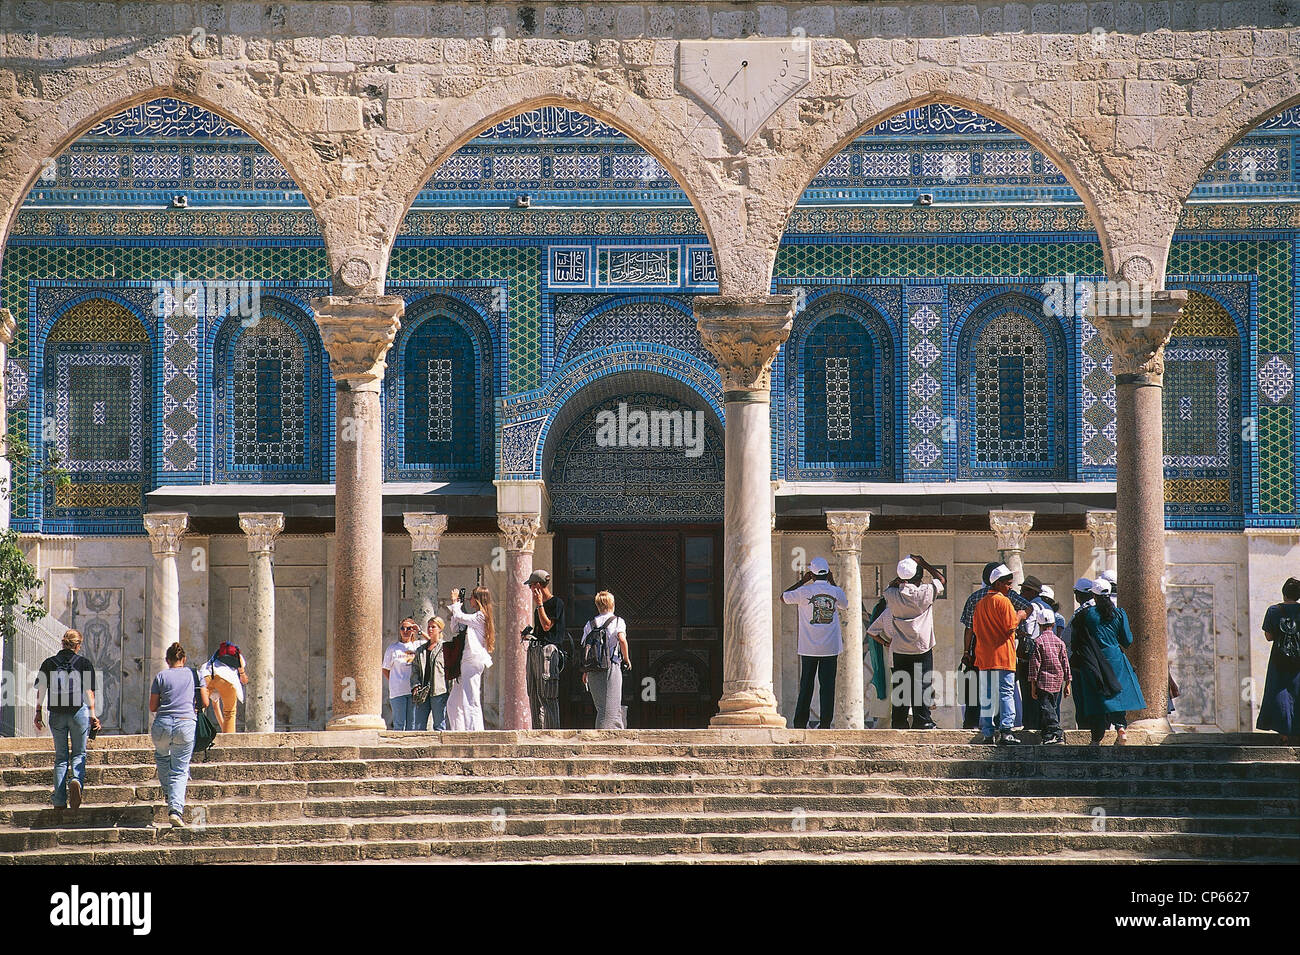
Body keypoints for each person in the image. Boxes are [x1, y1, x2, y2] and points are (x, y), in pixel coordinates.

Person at [868, 555, 945, 729]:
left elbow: (890, 585)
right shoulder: (926, 592)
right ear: (918, 577)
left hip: (900, 648)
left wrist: (901, 576)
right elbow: (941, 579)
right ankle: (922, 720)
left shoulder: (892, 595)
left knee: (900, 686)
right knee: (922, 684)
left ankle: (899, 722)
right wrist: (923, 562)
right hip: (921, 647)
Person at [1071, 579, 1145, 745]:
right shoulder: (1119, 613)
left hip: (1094, 660)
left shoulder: (1087, 614)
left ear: (1093, 595)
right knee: (1116, 695)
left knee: (1096, 698)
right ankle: (1120, 729)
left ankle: (1096, 738)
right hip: (1116, 658)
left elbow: (1076, 639)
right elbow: (1127, 640)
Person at [33, 629, 100, 811]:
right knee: (79, 753)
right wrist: (93, 715)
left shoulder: (49, 663)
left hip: (56, 713)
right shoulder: (84, 663)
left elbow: (41, 690)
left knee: (61, 757)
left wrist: (38, 712)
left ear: (62, 643)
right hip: (78, 713)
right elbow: (89, 692)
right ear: (78, 645)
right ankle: (76, 780)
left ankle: (59, 801)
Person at [960, 562, 1033, 728]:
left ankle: (981, 727)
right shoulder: (1006, 600)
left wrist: (966, 651)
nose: (1010, 587)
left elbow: (970, 628)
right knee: (1005, 692)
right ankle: (1005, 727)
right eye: (1008, 583)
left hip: (981, 651)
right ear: (999, 582)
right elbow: (1011, 625)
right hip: (1002, 652)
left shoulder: (977, 600)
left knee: (982, 691)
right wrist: (1020, 616)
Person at [782, 556, 848, 729]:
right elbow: (844, 604)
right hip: (830, 647)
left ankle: (800, 723)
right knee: (827, 687)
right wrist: (832, 582)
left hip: (809, 647)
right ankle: (825, 723)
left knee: (806, 686)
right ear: (828, 573)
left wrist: (802, 582)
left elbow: (783, 597)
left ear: (811, 573)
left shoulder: (804, 591)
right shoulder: (835, 591)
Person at [149, 642, 208, 827]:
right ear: (184, 659)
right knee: (180, 769)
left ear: (167, 660)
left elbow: (152, 706)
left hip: (163, 724)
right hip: (185, 724)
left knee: (162, 757)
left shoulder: (161, 676)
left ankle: (169, 792)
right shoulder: (195, 674)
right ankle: (175, 810)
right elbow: (205, 702)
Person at [1257, 577, 1300, 744]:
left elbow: (1269, 636)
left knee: (1279, 691)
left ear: (1284, 593)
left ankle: (1284, 733)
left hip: (1279, 657)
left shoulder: (1273, 610)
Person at [446, 586, 495, 731]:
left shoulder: (481, 616)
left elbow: (461, 617)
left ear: (478, 599)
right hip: (465, 661)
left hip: (472, 660)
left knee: (470, 699)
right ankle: (459, 731)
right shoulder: (475, 617)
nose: (470, 600)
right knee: (453, 703)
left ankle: (475, 732)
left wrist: (455, 602)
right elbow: (455, 627)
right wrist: (457, 607)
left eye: (472, 597)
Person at [580, 590, 631, 729]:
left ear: (597, 605)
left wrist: (585, 671)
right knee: (612, 708)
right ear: (612, 604)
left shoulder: (589, 624)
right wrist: (626, 659)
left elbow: (585, 647)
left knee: (601, 708)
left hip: (593, 668)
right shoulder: (618, 621)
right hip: (611, 665)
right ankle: (610, 740)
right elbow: (622, 639)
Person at [524, 569, 567, 729]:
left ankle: (552, 734)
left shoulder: (556, 603)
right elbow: (540, 630)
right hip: (535, 649)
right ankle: (537, 732)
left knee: (548, 693)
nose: (530, 589)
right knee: (533, 694)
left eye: (531, 586)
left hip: (548, 651)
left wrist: (540, 604)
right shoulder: (538, 607)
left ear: (537, 585)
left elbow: (547, 626)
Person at [1028, 606, 1071, 744]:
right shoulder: (1060, 642)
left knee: (1046, 708)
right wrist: (1068, 683)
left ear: (1039, 625)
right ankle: (1047, 736)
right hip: (1058, 681)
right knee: (1051, 707)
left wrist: (1033, 685)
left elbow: (1035, 665)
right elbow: (1065, 663)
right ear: (1053, 624)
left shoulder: (1038, 642)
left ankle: (1057, 733)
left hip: (1043, 681)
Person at [1016, 575, 1049, 730]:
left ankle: (1030, 724)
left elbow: (1029, 630)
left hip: (1030, 654)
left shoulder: (1031, 607)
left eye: (1023, 590)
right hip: (1045, 653)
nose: (1021, 593)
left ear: (1031, 591)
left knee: (1028, 689)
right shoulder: (1046, 606)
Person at [197, 641, 247, 733]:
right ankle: (230, 742)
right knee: (229, 713)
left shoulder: (214, 659)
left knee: (197, 709)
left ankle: (194, 736)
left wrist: (223, 729)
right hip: (226, 679)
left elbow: (216, 708)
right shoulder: (238, 658)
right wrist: (243, 675)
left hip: (206, 675)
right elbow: (242, 671)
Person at [411, 616, 451, 731]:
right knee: (418, 726)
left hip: (439, 690)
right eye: (429, 627)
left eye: (433, 627)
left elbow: (449, 671)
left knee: (439, 725)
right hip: (423, 691)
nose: (430, 629)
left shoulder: (445, 648)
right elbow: (415, 670)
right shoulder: (421, 650)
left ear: (440, 629)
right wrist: (415, 685)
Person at [383, 618, 423, 730]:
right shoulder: (392, 648)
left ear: (413, 630)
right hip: (398, 692)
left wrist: (420, 631)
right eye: (402, 628)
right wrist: (395, 681)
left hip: (413, 691)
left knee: (412, 724)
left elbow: (434, 642)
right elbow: (385, 668)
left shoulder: (418, 645)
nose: (405, 631)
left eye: (409, 628)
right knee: (399, 723)